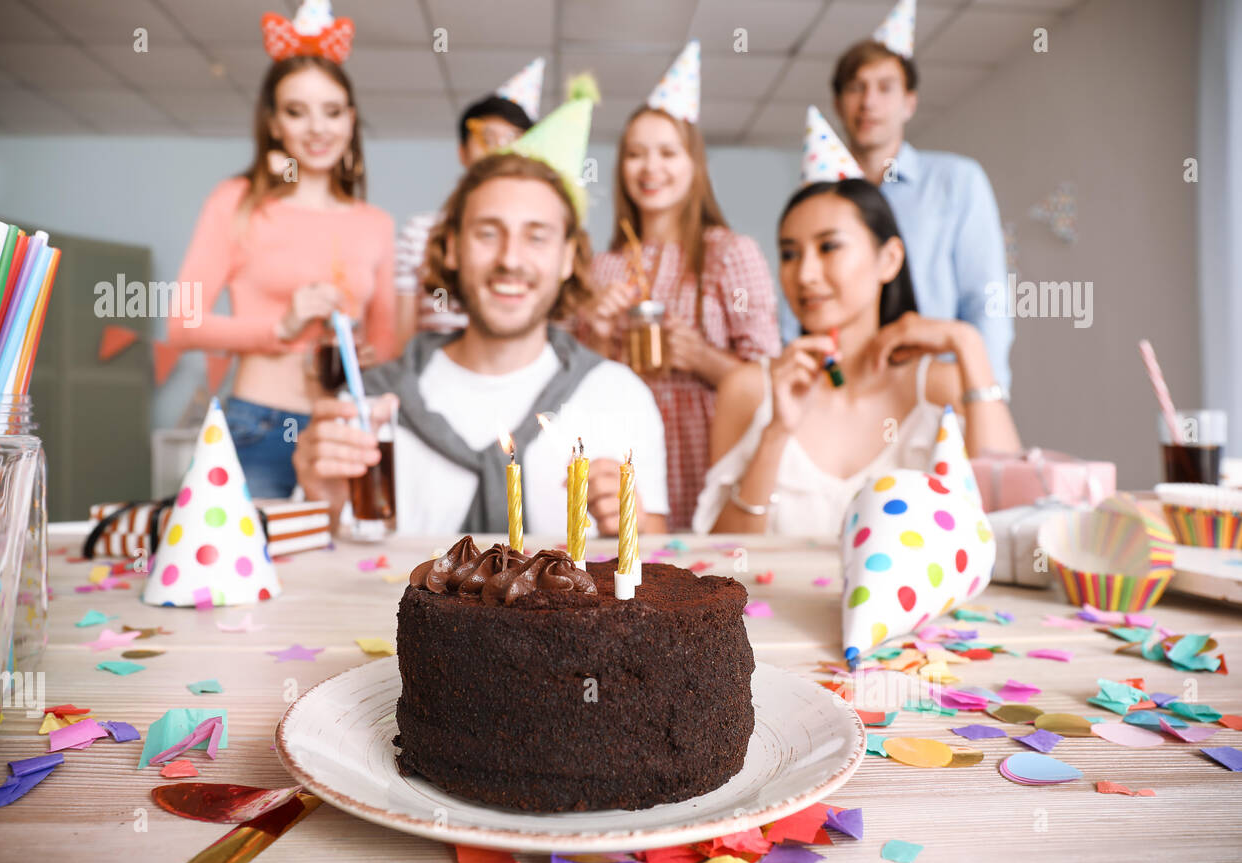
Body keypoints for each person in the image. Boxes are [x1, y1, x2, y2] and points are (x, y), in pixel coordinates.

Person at [293, 150, 669, 539]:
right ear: (453, 247)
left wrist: (632, 525)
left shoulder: (619, 393)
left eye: (536, 237)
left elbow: (660, 545)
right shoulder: (365, 406)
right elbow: (318, 573)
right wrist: (324, 508)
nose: (510, 259)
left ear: (567, 258)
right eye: (488, 233)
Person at [693, 178, 1020, 538]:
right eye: (790, 254)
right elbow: (724, 557)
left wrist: (967, 342)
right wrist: (776, 433)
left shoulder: (940, 387)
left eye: (829, 247)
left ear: (889, 259)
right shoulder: (749, 388)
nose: (805, 274)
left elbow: (1008, 521)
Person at [169, 42, 395, 499]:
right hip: (260, 423)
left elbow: (386, 345)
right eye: (297, 112)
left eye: (332, 112)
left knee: (344, 568)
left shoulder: (376, 224)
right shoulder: (236, 202)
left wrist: (366, 351)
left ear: (351, 119)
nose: (318, 128)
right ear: (273, 122)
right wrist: (283, 325)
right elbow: (182, 323)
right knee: (237, 566)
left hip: (343, 431)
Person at [577, 80, 780, 531]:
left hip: (709, 446)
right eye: (635, 154)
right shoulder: (603, 268)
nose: (650, 167)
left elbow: (770, 384)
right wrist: (598, 336)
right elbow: (574, 388)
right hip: (629, 450)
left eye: (667, 153)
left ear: (694, 165)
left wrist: (702, 358)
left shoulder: (729, 253)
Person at [816, 33, 1014, 392]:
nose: (869, 102)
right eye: (856, 88)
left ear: (909, 103)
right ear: (837, 102)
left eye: (885, 87)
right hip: (844, 394)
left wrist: (985, 395)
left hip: (938, 392)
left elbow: (986, 302)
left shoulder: (956, 182)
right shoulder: (820, 199)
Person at [393, 91, 536, 349]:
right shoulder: (420, 232)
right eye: (487, 138)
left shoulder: (543, 239)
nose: (500, 150)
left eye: (514, 140)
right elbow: (402, 340)